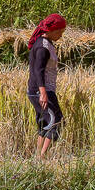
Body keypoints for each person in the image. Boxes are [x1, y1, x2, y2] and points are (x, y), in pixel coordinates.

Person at [28, 13, 67, 158]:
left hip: (39, 90)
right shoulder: (43, 47)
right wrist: (43, 93)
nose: (61, 36)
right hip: (42, 91)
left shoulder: (44, 42)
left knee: (45, 121)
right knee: (55, 120)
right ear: (51, 30)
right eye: (59, 32)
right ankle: (42, 155)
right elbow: (38, 71)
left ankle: (39, 154)